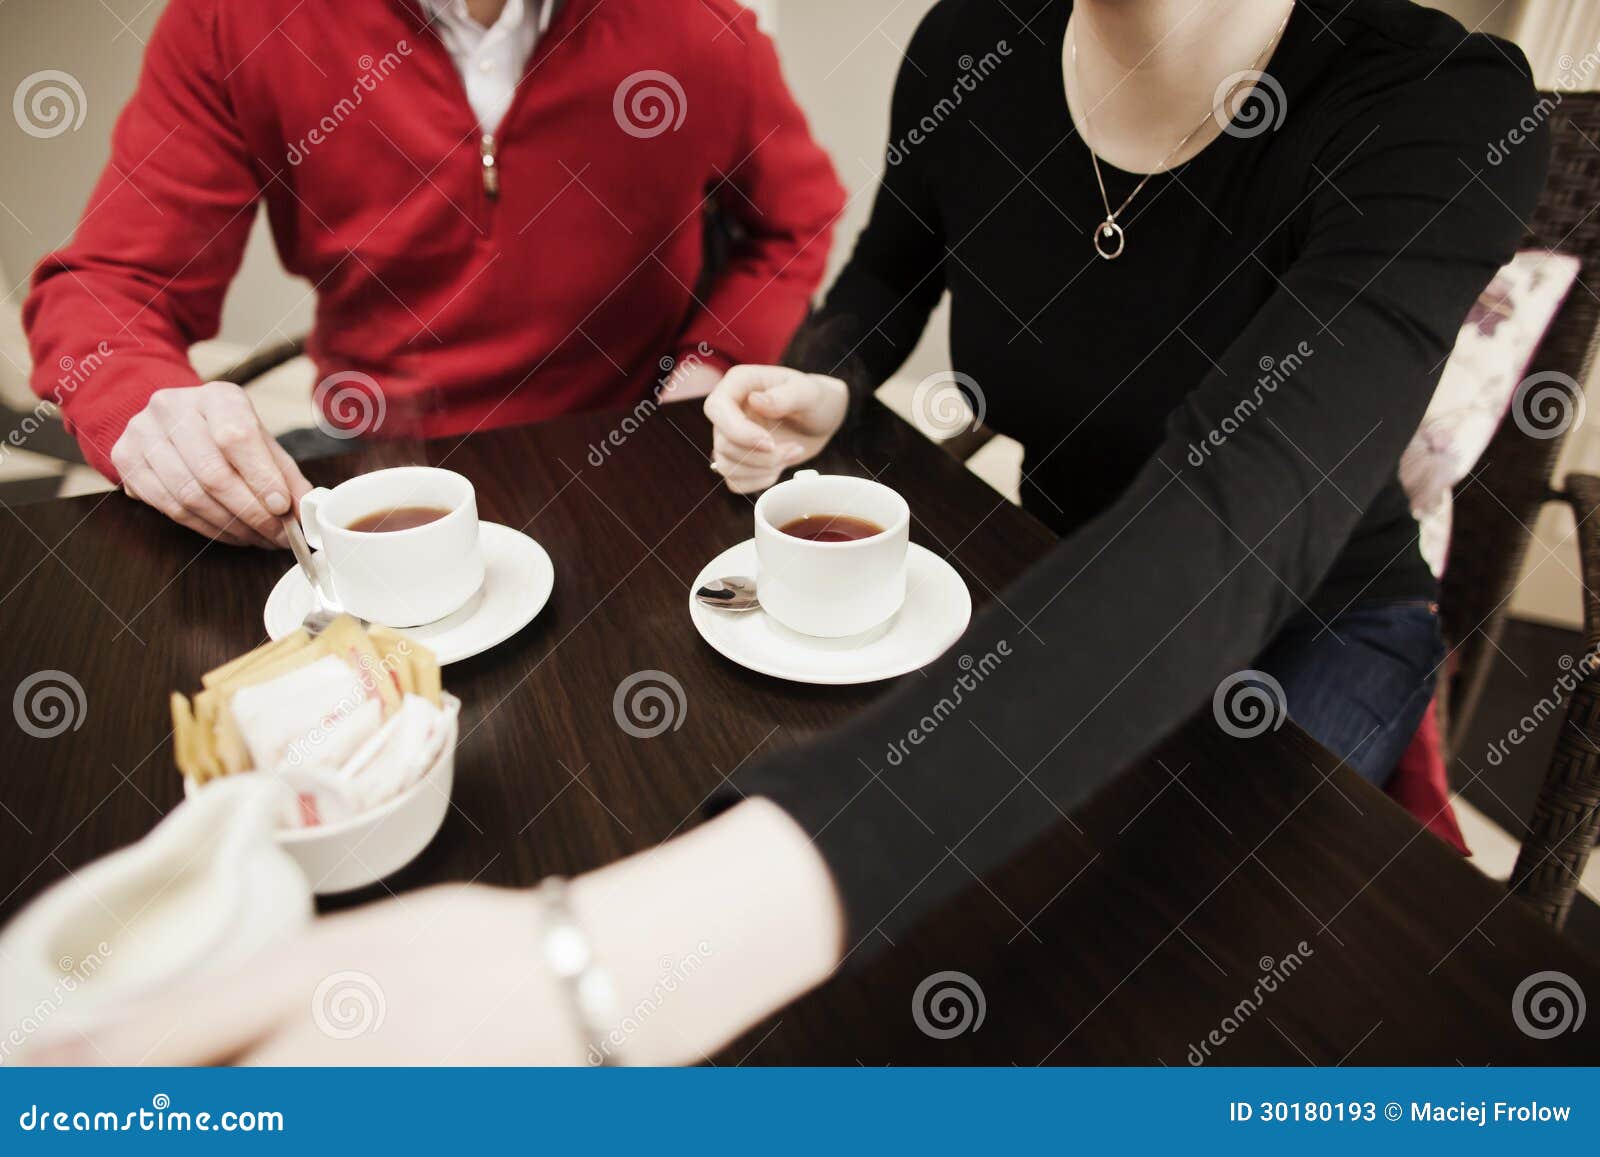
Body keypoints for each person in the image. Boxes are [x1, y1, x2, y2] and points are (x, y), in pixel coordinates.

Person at [33, 0, 1547, 1065]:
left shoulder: (1441, 104)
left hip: (1303, 617)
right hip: (1050, 555)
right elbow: (880, 281)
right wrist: (804, 387)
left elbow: (1230, 521)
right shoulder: (978, 42)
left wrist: (611, 962)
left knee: (1157, 973)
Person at [23, 0, 843, 548]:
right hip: (377, 449)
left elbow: (798, 215)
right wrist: (143, 407)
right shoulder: (237, 21)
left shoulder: (697, 27)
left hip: (621, 448)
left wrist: (710, 362)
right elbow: (105, 288)